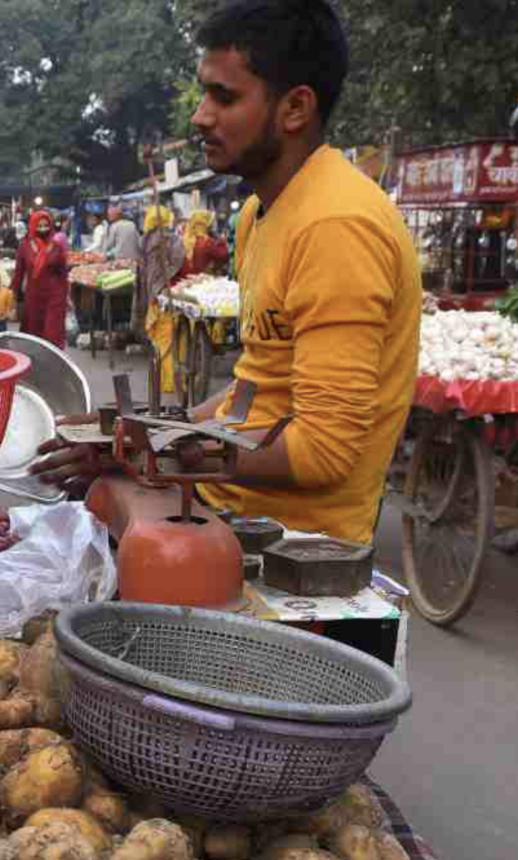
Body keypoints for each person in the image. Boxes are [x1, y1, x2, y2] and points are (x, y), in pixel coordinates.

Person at [34, 0, 420, 546]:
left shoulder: (337, 224)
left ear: (295, 108)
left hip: (296, 548)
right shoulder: (258, 215)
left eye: (225, 97)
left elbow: (325, 451)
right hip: (222, 509)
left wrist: (157, 449)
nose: (200, 117)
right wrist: (144, 433)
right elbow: (254, 384)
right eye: (204, 93)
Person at [137, 205, 189, 397]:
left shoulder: (145, 240)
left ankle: (163, 380)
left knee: (160, 339)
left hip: (153, 294)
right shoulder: (169, 240)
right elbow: (178, 262)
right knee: (168, 339)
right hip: (163, 294)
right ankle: (169, 382)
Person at [11, 209, 70, 348]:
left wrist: (67, 295)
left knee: (52, 333)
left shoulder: (56, 246)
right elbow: (19, 274)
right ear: (32, 226)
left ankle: (55, 364)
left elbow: (63, 273)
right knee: (34, 333)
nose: (43, 229)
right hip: (34, 295)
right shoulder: (24, 246)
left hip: (54, 295)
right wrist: (12, 299)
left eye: (46, 225)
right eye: (39, 226)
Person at [178, 209, 230, 281]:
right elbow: (223, 256)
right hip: (202, 282)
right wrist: (222, 241)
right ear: (206, 224)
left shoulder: (183, 239)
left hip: (183, 282)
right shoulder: (207, 242)